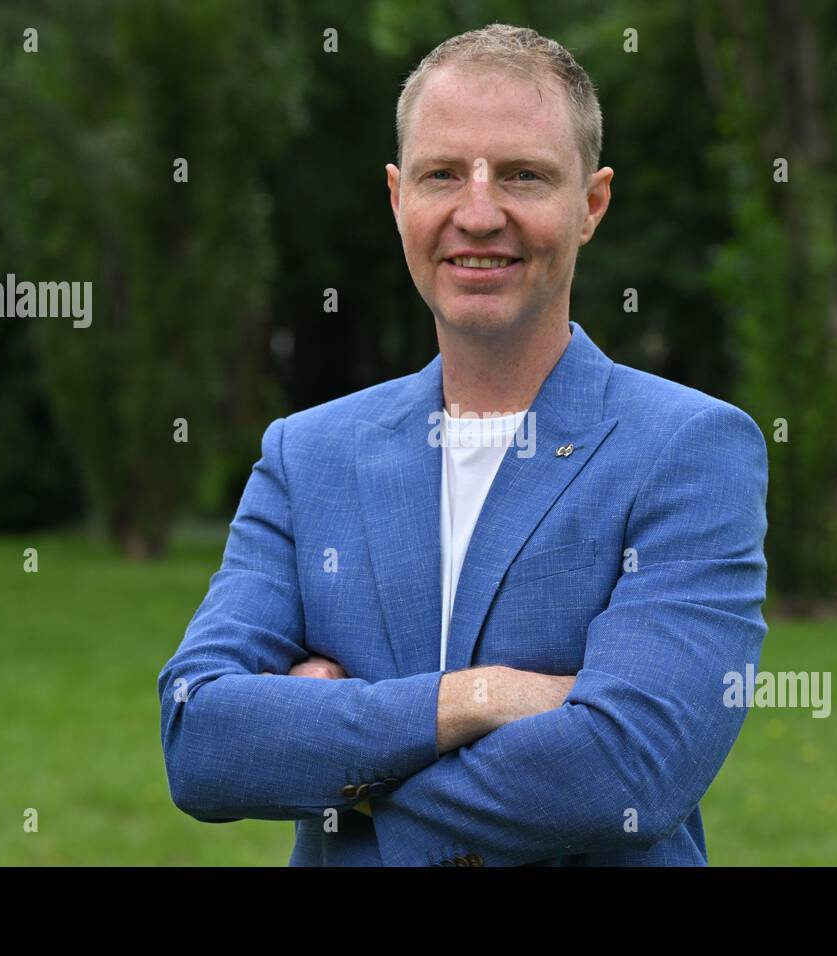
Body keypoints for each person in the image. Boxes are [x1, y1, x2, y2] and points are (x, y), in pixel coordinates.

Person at [157, 22, 768, 867]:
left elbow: (627, 772)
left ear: (590, 205)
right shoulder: (308, 456)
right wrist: (480, 698)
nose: (478, 215)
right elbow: (200, 741)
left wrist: (344, 768)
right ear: (397, 198)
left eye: (523, 174)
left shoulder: (691, 450)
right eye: (443, 174)